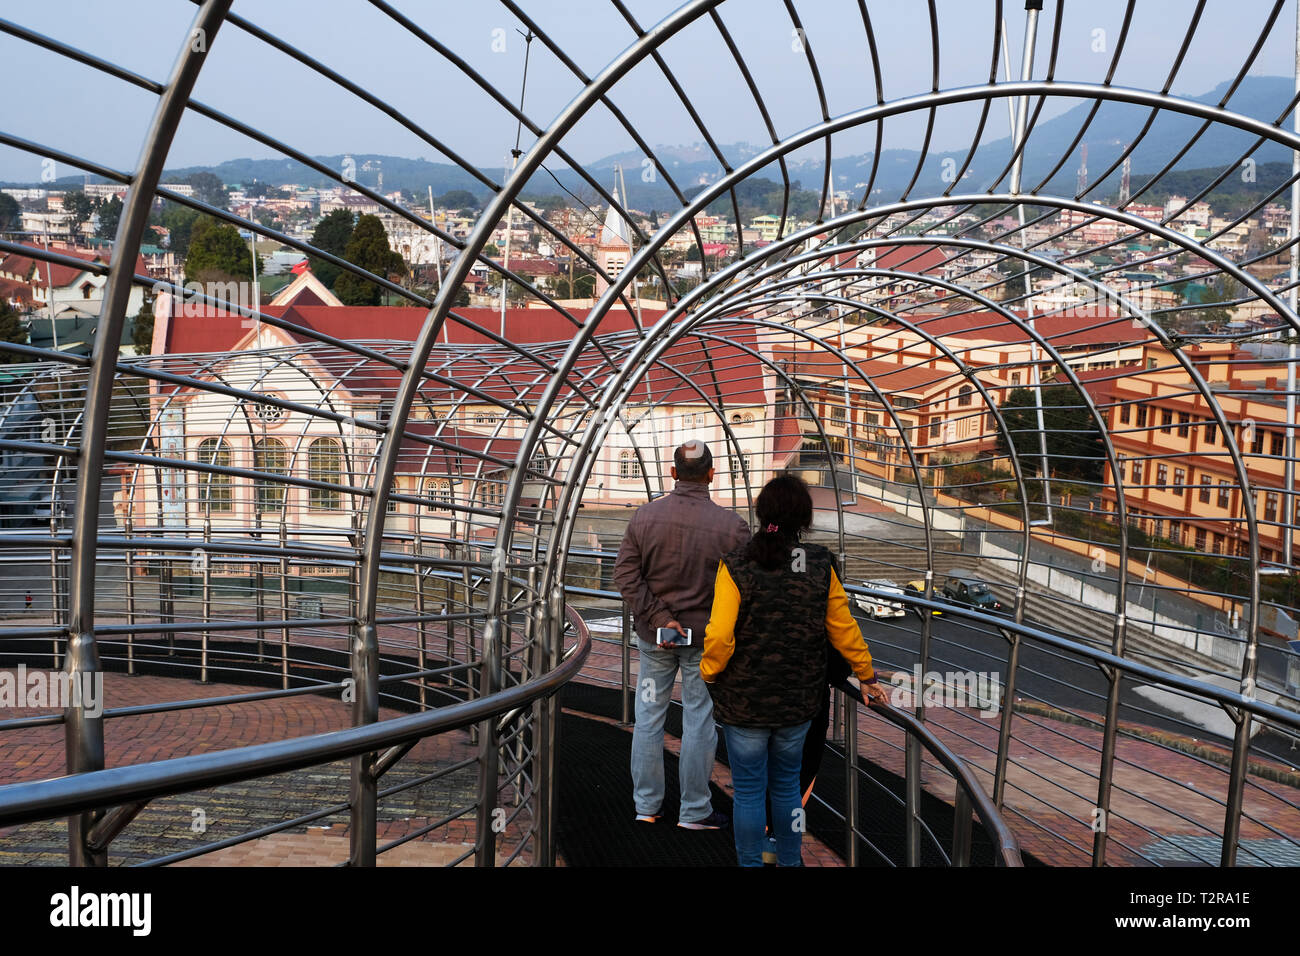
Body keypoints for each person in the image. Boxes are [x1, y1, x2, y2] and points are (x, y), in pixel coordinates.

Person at [701, 473, 887, 866]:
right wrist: (866, 676)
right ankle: (788, 861)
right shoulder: (820, 562)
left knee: (749, 792)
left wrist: (711, 672)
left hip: (744, 702)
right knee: (787, 786)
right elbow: (843, 628)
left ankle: (750, 863)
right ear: (804, 519)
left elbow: (719, 635)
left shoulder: (735, 564)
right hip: (800, 701)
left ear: (761, 512)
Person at [614, 439, 750, 830]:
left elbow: (625, 574)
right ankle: (694, 810)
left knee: (648, 718)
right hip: (703, 641)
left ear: (672, 473)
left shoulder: (644, 517)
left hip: (658, 638)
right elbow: (745, 587)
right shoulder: (733, 527)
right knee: (699, 721)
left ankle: (646, 806)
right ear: (711, 473)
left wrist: (658, 616)